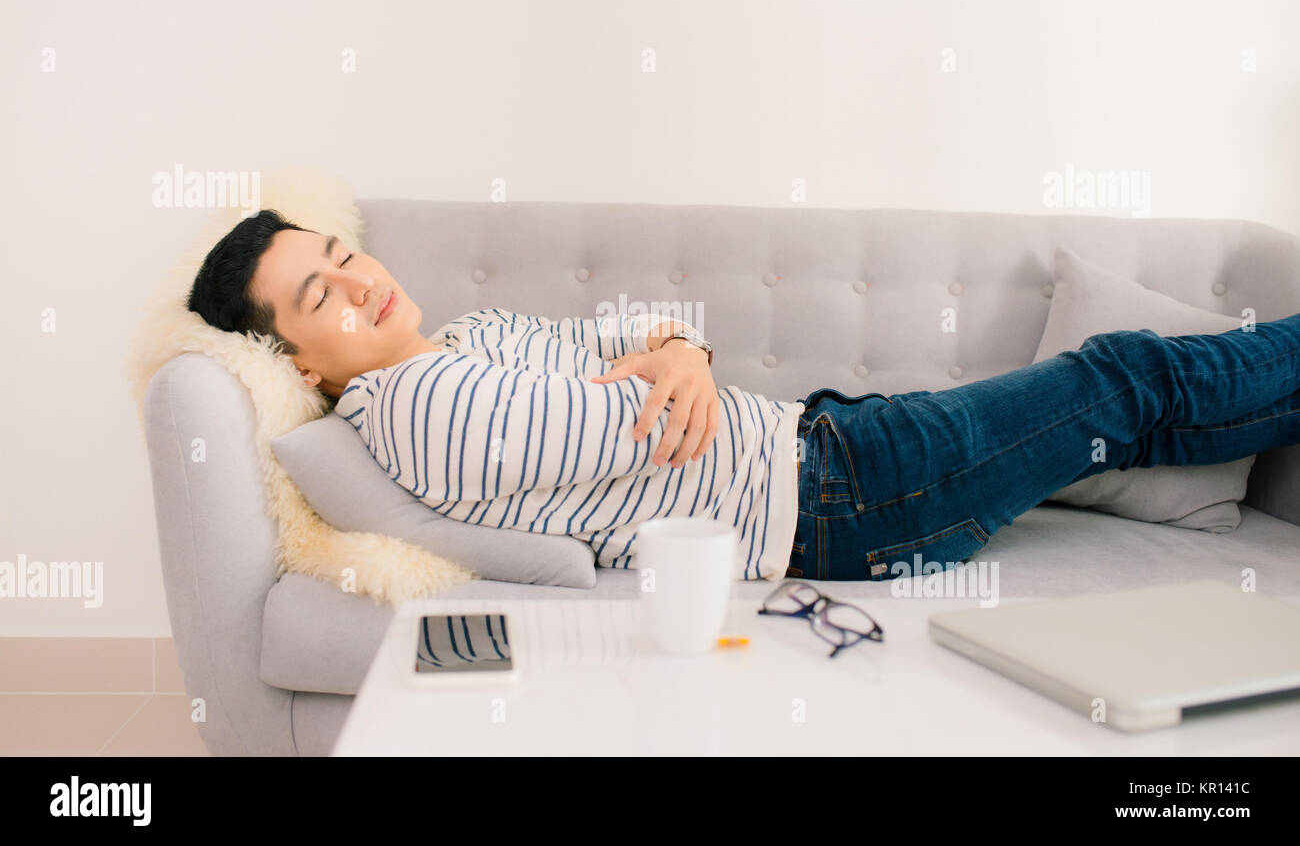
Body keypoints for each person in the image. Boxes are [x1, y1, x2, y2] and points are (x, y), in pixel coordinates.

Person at [187, 210, 1300, 583]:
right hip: (840, 500)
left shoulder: (468, 340)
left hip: (834, 448)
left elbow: (627, 332)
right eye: (320, 295)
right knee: (1121, 379)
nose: (362, 283)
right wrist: (675, 364)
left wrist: (680, 347)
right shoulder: (422, 408)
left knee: (1126, 408)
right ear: (297, 363)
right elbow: (641, 423)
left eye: (344, 255)